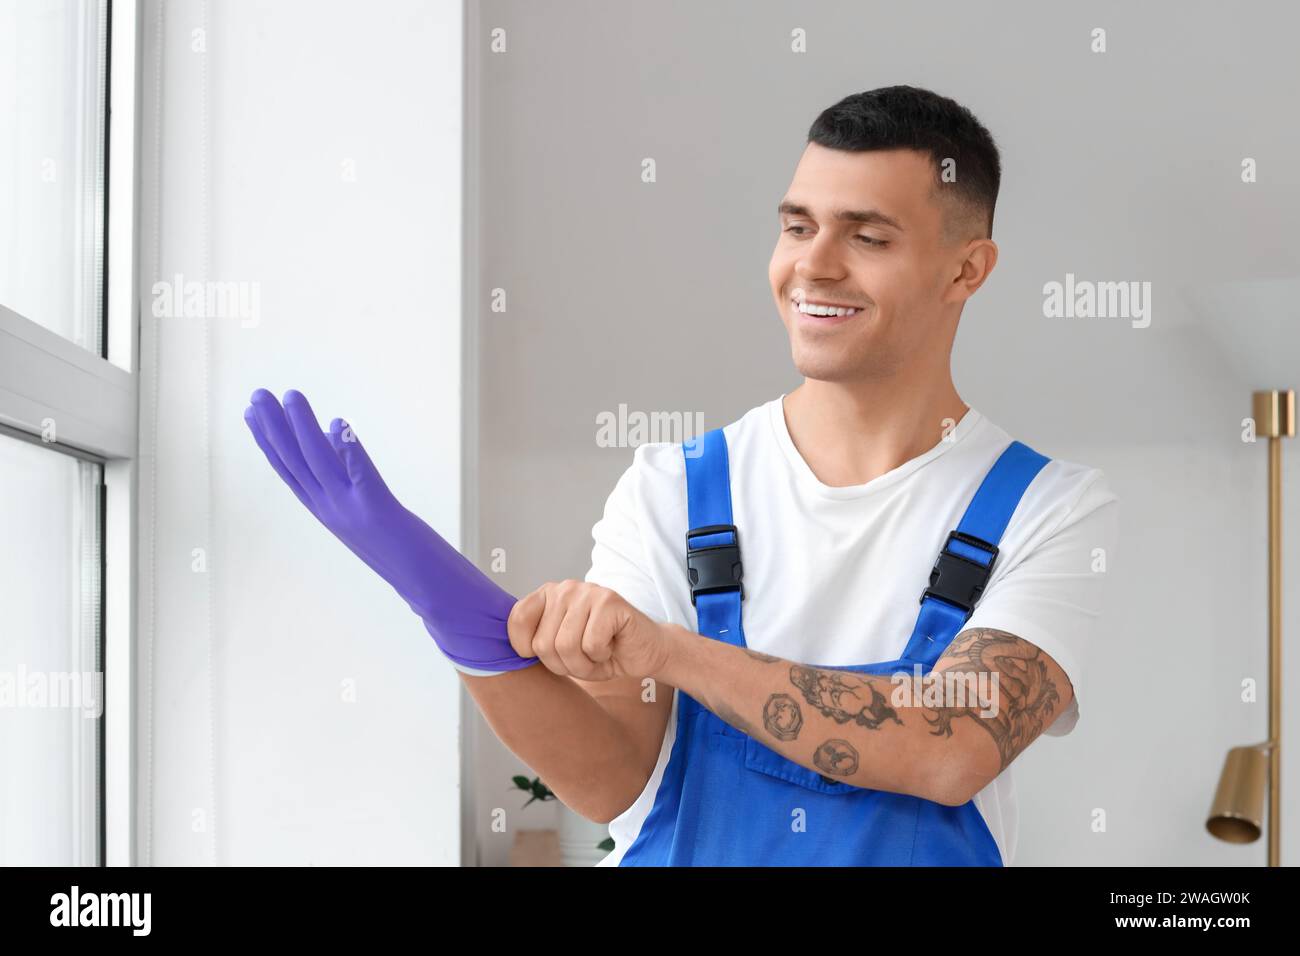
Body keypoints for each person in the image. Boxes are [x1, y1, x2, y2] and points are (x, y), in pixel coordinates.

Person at [245, 85, 1118, 867]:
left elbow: (950, 746)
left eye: (869, 236)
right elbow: (613, 782)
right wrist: (446, 606)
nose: (814, 264)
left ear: (967, 269)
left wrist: (671, 650)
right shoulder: (676, 487)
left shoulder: (1046, 507)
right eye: (797, 225)